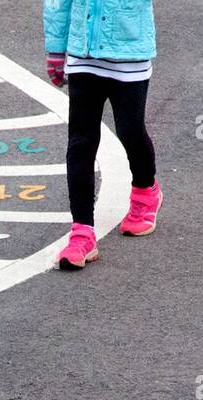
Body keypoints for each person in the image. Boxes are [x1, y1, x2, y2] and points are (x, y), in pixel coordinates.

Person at [44, 0, 161, 271]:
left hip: (129, 51)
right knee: (80, 142)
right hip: (82, 53)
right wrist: (55, 48)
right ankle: (82, 233)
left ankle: (146, 191)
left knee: (130, 131)